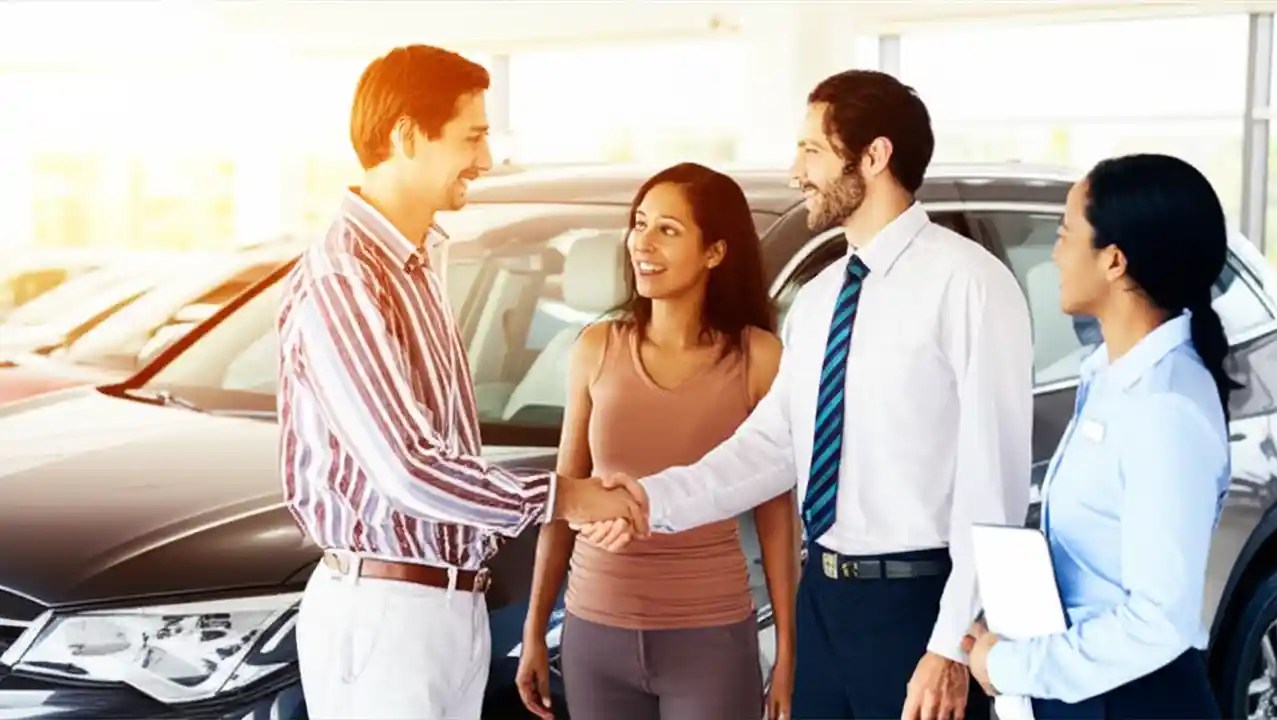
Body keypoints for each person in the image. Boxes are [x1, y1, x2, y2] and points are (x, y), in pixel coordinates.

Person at [580, 69, 1034, 720]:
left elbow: (994, 485)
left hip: (916, 610)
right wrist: (649, 500)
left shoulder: (968, 285)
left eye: (811, 151)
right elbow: (771, 447)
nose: (797, 171)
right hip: (823, 597)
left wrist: (948, 646)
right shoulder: (821, 299)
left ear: (874, 156)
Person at [275, 44, 643, 720]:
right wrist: (572, 498)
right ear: (407, 136)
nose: (487, 158)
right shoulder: (348, 278)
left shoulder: (420, 265)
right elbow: (409, 471)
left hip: (446, 609)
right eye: (471, 136)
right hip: (389, 618)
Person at [515, 163, 800, 720]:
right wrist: (533, 628)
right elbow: (563, 499)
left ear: (714, 252)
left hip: (709, 635)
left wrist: (787, 650)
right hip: (596, 632)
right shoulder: (595, 347)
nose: (642, 243)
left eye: (667, 229)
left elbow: (777, 514)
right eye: (639, 223)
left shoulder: (758, 358)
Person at [964, 153, 1237, 719]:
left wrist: (1014, 666)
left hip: (1134, 701)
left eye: (1065, 235)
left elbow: (1158, 619)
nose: (1055, 255)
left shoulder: (1164, 407)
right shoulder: (1108, 377)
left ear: (1114, 261)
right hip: (1087, 691)